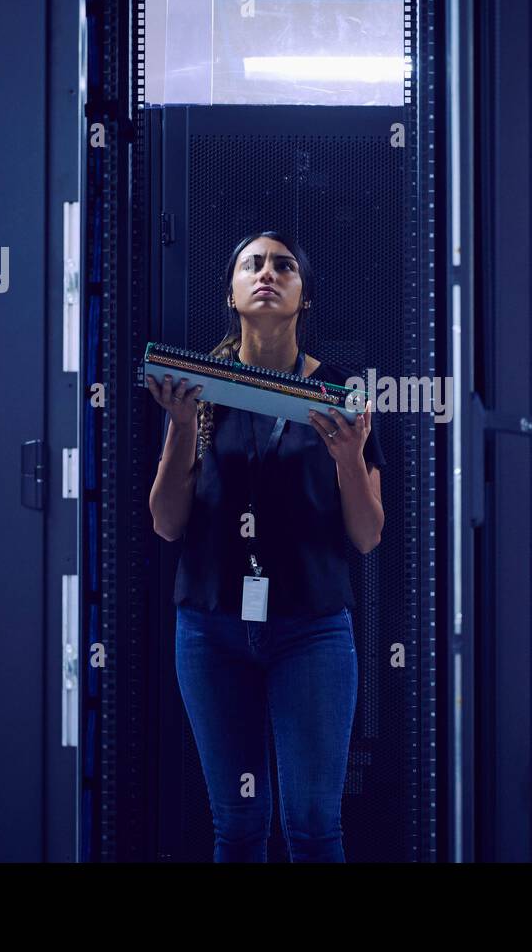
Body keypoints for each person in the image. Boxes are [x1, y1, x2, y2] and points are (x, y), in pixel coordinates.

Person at [146, 231, 385, 862]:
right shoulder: (201, 393)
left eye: (284, 266)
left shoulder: (341, 397)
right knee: (240, 827)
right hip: (212, 629)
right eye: (253, 264)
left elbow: (366, 534)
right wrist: (177, 429)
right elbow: (167, 524)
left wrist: (349, 459)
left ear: (303, 296)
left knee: (311, 827)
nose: (268, 274)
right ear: (232, 292)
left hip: (310, 630)